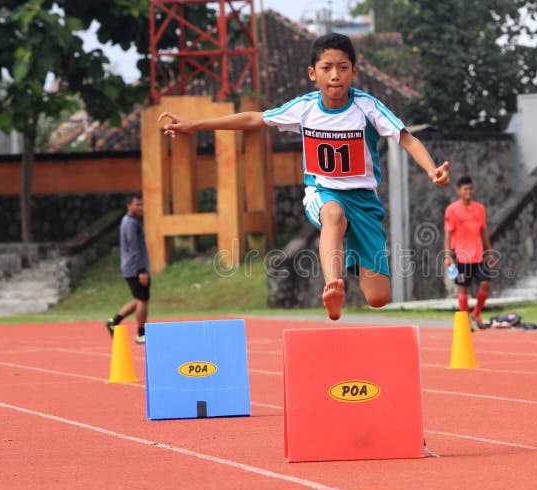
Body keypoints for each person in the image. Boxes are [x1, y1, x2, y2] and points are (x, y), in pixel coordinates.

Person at [157, 33, 450, 320]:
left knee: (378, 298)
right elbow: (254, 118)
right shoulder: (305, 108)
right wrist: (195, 125)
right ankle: (333, 285)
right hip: (323, 192)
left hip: (363, 201)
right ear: (312, 73)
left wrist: (431, 169)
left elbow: (406, 138)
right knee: (333, 215)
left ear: (354, 72)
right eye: (327, 68)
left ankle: (352, 260)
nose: (335, 75)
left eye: (343, 68)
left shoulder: (367, 107)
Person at [443, 176, 496, 330]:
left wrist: (490, 253)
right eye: (465, 189)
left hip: (478, 254)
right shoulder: (452, 209)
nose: (468, 191)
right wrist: (448, 256)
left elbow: (483, 232)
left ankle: (477, 313)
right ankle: (465, 319)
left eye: (471, 188)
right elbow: (448, 234)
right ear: (459, 191)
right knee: (463, 288)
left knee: (485, 284)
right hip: (461, 255)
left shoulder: (480, 208)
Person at [105, 193, 150, 344]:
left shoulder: (130, 221)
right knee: (143, 300)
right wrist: (141, 270)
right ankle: (141, 333)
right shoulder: (130, 223)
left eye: (142, 204)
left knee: (140, 299)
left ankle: (114, 321)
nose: (141, 207)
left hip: (131, 267)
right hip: (134, 268)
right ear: (129, 205)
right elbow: (133, 248)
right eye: (137, 205)